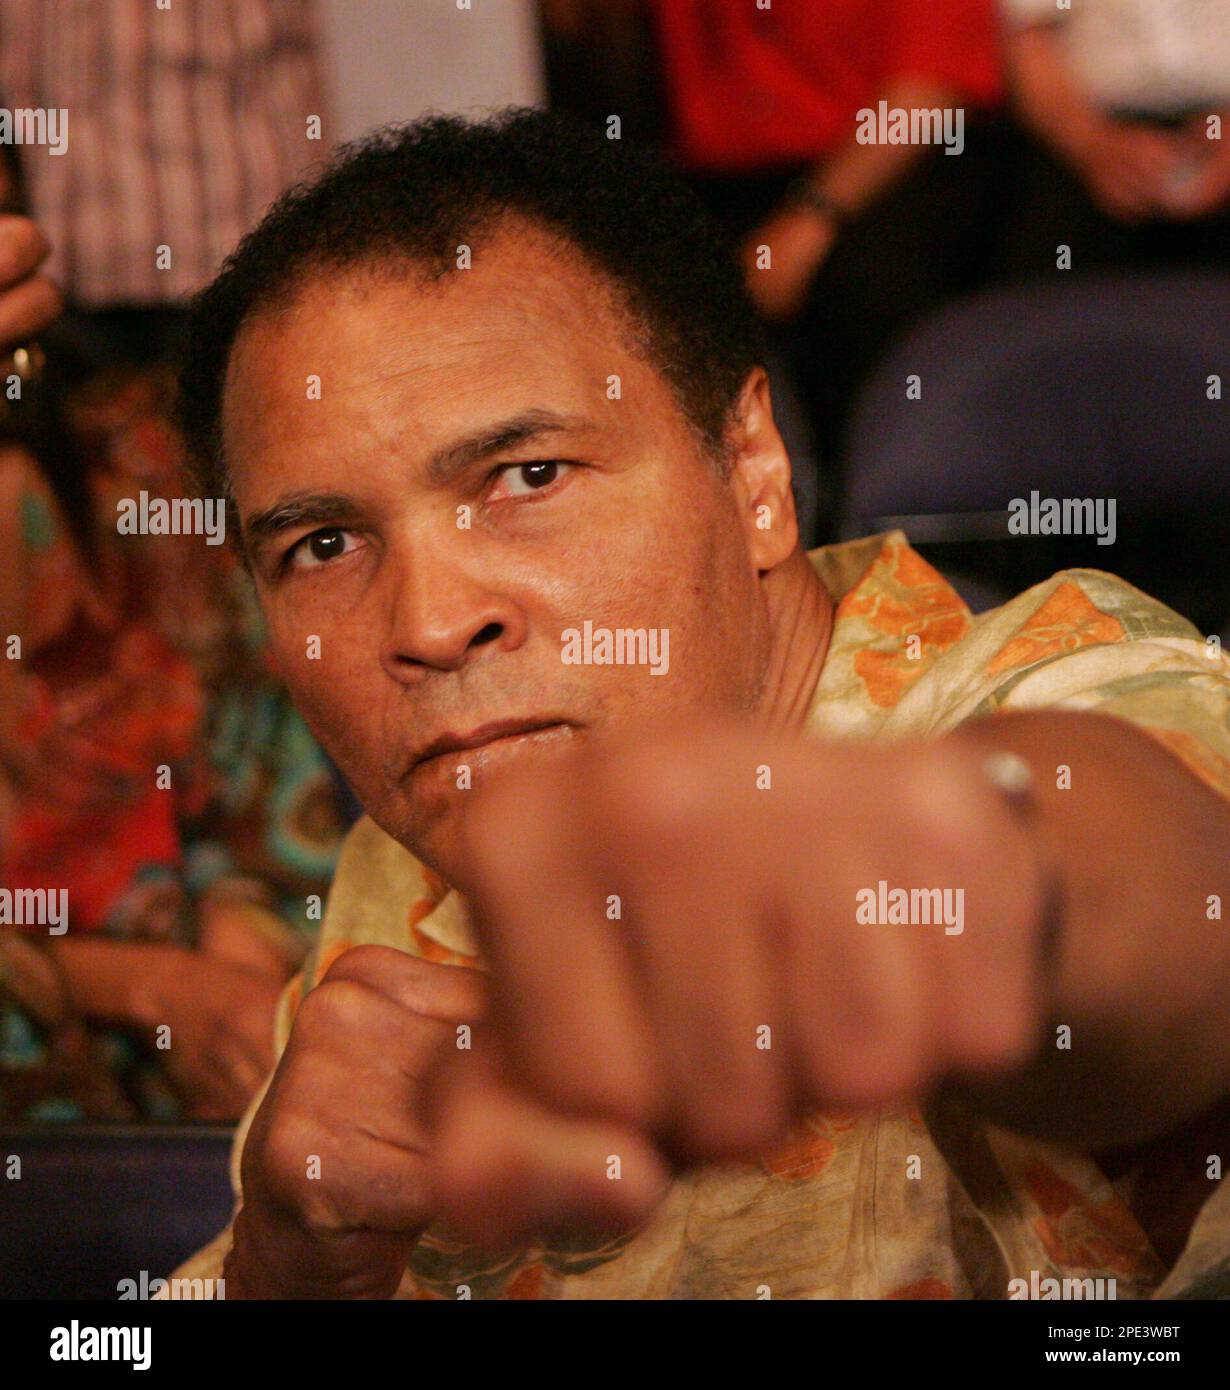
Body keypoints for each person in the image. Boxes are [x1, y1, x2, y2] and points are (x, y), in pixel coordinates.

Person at [170, 110, 1230, 1299]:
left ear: (756, 472)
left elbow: (1173, 894)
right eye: (321, 544)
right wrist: (284, 1266)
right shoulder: (406, 867)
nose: (424, 624)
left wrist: (960, 876)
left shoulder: (1054, 679)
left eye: (528, 477)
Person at [999, 0, 1230, 275]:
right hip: (1084, 134)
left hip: (1219, 119)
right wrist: (1090, 142)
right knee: (1047, 292)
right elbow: (1030, 38)